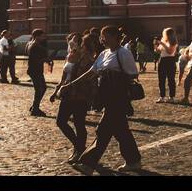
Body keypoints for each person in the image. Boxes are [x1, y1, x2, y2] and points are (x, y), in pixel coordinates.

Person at [64, 26, 142, 172]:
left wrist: (112, 75)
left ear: (113, 37)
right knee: (121, 131)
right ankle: (133, 160)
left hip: (118, 98)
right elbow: (90, 72)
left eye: (104, 36)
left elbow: (133, 75)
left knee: (103, 130)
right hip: (106, 98)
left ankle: (88, 163)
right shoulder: (104, 54)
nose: (101, 39)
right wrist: (70, 84)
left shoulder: (123, 53)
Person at [52, 33, 96, 163]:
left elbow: (88, 78)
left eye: (75, 41)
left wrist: (91, 98)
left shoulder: (87, 59)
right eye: (70, 42)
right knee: (60, 121)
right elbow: (65, 75)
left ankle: (79, 150)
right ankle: (79, 147)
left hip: (80, 95)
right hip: (67, 94)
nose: (72, 43)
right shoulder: (70, 56)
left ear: (82, 44)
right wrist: (56, 90)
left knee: (79, 124)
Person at [27, 29, 53, 116]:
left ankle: (35, 106)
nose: (44, 37)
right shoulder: (34, 45)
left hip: (36, 70)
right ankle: (35, 108)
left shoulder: (31, 44)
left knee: (43, 88)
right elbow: (35, 60)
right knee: (39, 89)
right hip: (35, 70)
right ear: (37, 36)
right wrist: (46, 59)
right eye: (42, 36)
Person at [154, 28, 179, 102]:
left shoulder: (174, 42)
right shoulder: (163, 41)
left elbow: (170, 52)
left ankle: (171, 97)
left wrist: (162, 44)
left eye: (164, 33)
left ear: (168, 34)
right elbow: (157, 51)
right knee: (161, 79)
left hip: (170, 61)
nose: (163, 35)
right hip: (162, 60)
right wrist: (155, 45)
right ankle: (162, 97)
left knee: (171, 80)